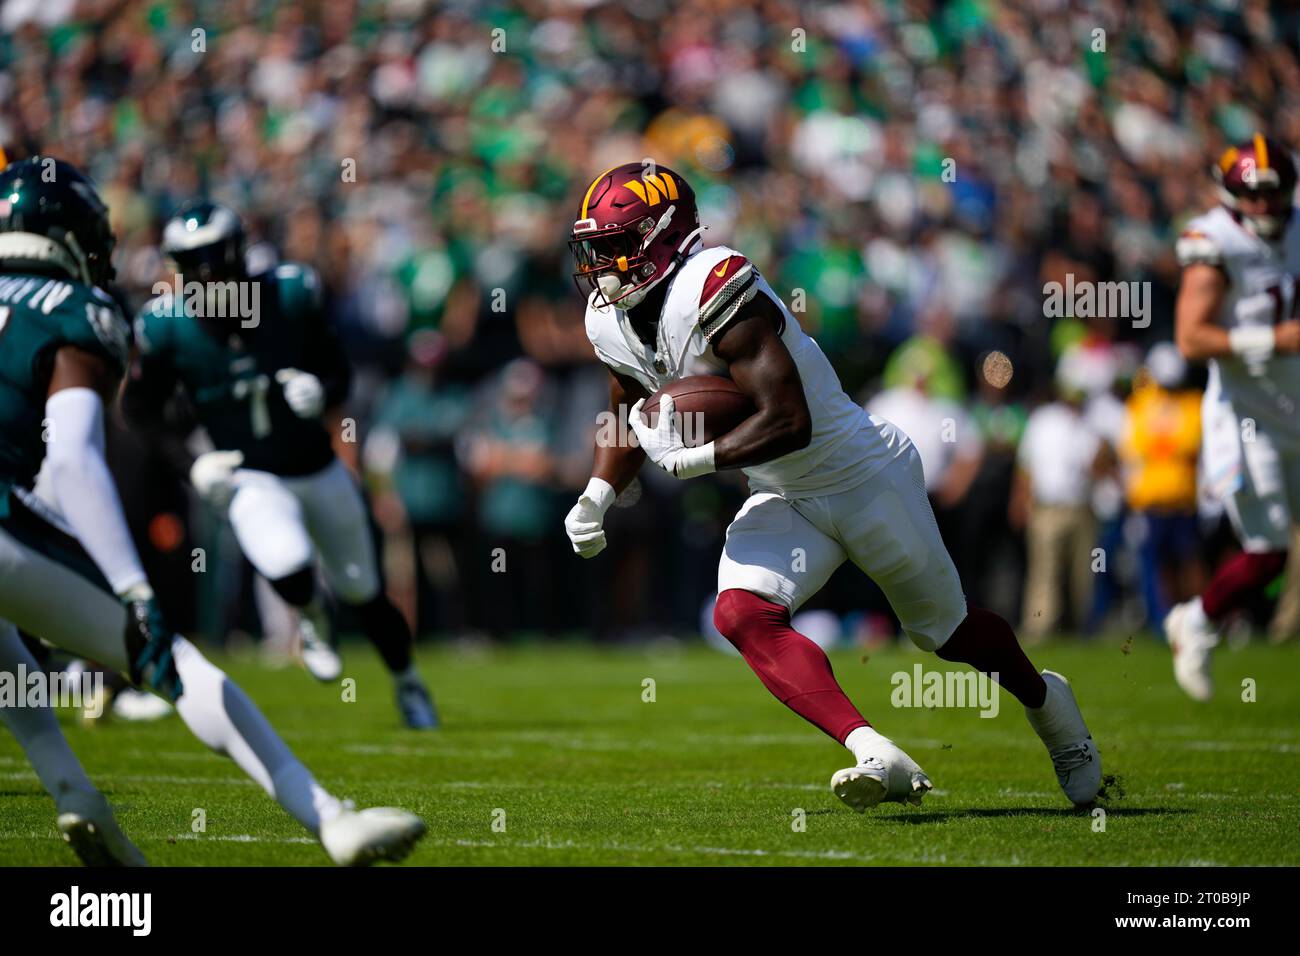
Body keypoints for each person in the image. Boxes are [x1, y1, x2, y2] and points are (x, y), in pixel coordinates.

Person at [563, 162, 1102, 810]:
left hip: (861, 475)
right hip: (783, 493)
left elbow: (790, 420)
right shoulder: (609, 320)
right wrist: (595, 495)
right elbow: (626, 407)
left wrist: (696, 460)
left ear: (662, 238)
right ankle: (872, 749)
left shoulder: (714, 284)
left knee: (947, 634)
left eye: (616, 247)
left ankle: (1049, 707)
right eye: (595, 250)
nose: (602, 266)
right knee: (740, 614)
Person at [0, 156, 425, 864]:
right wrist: (134, 588)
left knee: (7, 651)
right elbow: (73, 456)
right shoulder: (81, 311)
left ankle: (76, 795)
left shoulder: (269, 301)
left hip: (300, 473)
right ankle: (328, 817)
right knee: (176, 663)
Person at [122, 201, 437, 728]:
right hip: (249, 472)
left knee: (365, 592)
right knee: (285, 561)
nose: (203, 275)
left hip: (315, 466)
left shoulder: (290, 294)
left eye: (210, 260)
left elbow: (338, 370)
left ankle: (407, 680)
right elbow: (140, 411)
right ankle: (313, 615)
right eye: (190, 263)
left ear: (236, 256)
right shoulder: (166, 327)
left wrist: (324, 392)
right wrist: (191, 463)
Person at [1165, 135, 1300, 699]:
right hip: (1248, 416)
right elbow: (1190, 339)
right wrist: (1275, 338)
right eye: (1253, 195)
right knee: (1268, 551)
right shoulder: (1215, 241)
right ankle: (1196, 621)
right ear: (1231, 194)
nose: (1265, 207)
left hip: (1294, 402)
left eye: (1275, 195)